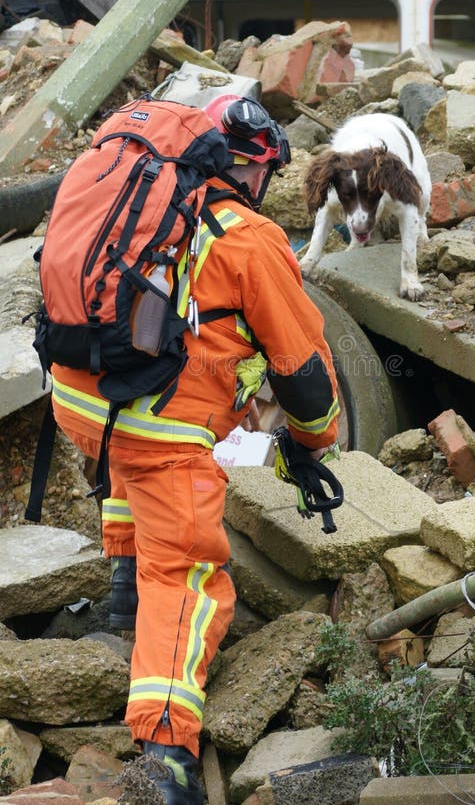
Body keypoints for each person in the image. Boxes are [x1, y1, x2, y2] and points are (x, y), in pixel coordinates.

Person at [49, 93, 339, 804]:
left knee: (128, 465)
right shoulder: (249, 238)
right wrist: (312, 441)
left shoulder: (136, 200)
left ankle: (124, 596)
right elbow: (302, 371)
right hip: (160, 431)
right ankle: (165, 755)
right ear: (255, 170)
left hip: (80, 400)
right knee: (185, 575)